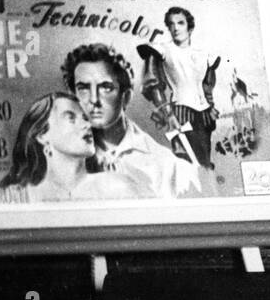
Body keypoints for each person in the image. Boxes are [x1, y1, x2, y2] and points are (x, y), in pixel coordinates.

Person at [62, 42, 201, 198]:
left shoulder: (167, 164)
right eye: (83, 88)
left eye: (106, 87)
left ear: (126, 97)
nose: (94, 99)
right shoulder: (59, 159)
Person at [0, 92, 145, 202]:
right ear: (42, 135)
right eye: (71, 118)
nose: (87, 125)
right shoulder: (17, 197)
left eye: (86, 118)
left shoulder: (120, 187)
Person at [138, 7, 223, 170]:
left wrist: (210, 105)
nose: (175, 28)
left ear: (189, 27)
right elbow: (152, 83)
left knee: (205, 160)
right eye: (171, 24)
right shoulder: (162, 50)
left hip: (205, 114)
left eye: (180, 23)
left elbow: (208, 84)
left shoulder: (204, 53)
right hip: (181, 113)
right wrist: (167, 114)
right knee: (189, 161)